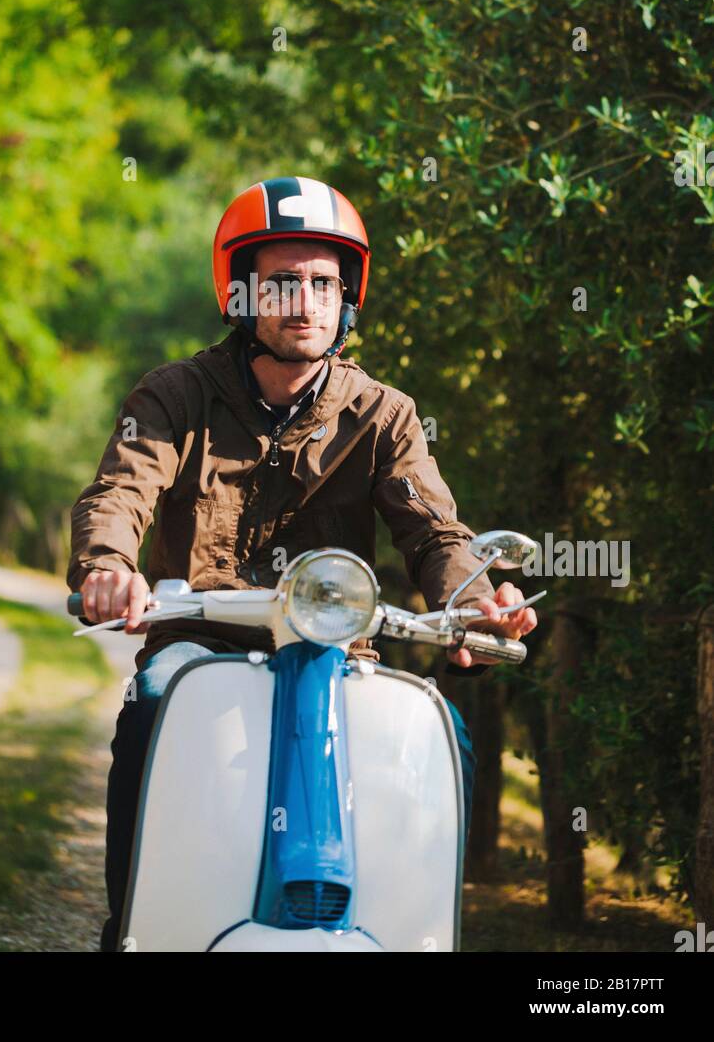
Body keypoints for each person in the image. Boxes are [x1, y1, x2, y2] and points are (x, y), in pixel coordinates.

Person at [66, 175, 537, 952]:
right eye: (281, 282)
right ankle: (135, 931)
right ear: (241, 294)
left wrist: (473, 603)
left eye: (324, 283)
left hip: (335, 650)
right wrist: (108, 565)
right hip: (200, 643)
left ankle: (412, 931)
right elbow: (121, 489)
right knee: (151, 706)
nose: (304, 302)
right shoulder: (174, 395)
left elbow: (435, 533)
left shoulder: (384, 414)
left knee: (443, 734)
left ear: (347, 298)